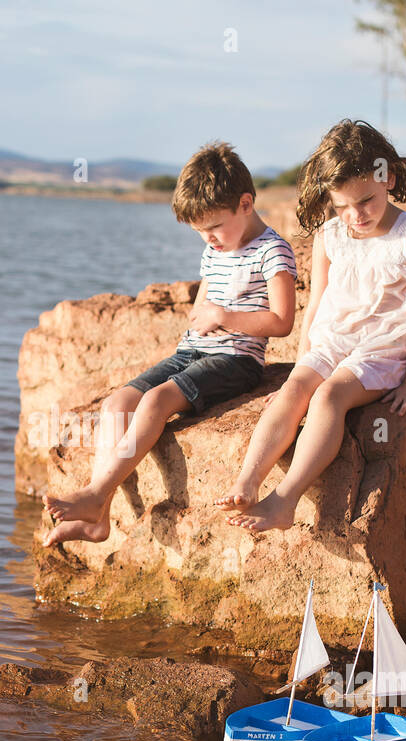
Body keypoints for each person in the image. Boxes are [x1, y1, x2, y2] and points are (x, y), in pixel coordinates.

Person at [42, 141, 297, 546]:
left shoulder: (272, 251)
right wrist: (202, 318)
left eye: (214, 227)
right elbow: (203, 304)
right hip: (193, 350)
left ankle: (94, 495)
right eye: (200, 232)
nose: (209, 238)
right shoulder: (214, 250)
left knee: (156, 402)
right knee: (116, 404)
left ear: (245, 204)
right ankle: (98, 515)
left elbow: (282, 322)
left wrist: (224, 318)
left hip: (235, 359)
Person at [215, 119, 406, 532]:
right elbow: (316, 302)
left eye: (366, 200)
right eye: (342, 206)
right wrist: (301, 366)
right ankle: (247, 483)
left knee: (329, 398)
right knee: (297, 390)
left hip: (382, 349)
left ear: (388, 176)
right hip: (332, 342)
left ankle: (284, 500)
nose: (356, 216)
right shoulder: (329, 235)